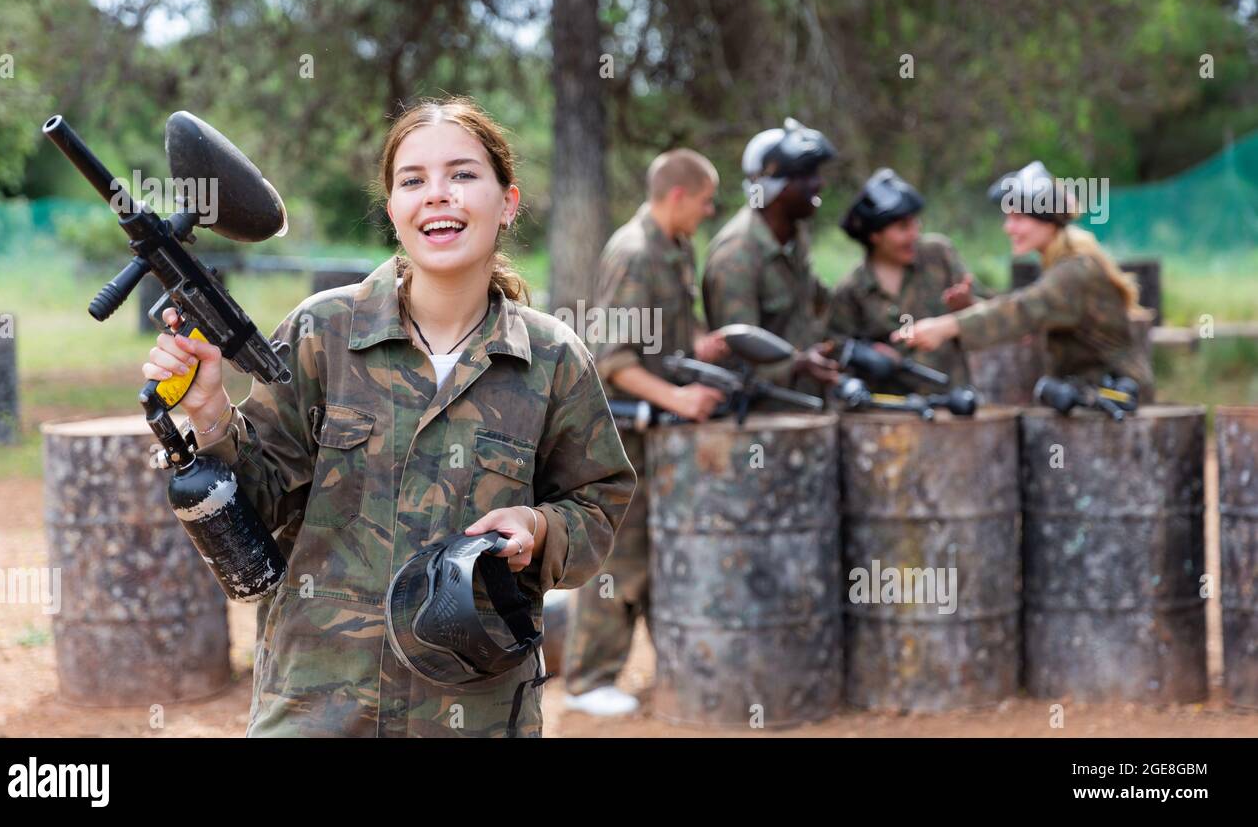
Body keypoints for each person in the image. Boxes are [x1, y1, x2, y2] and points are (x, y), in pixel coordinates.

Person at [143, 97, 636, 737]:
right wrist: (210, 414)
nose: (438, 195)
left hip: (476, 715)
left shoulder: (552, 360)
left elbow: (598, 505)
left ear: (507, 203)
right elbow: (259, 510)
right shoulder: (323, 333)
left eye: (462, 175)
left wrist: (538, 527)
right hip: (318, 708)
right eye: (413, 180)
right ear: (393, 209)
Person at [563, 149, 729, 717]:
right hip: (624, 429)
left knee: (658, 550)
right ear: (678, 196)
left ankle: (659, 663)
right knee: (619, 553)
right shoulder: (634, 254)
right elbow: (612, 358)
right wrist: (679, 397)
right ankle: (587, 679)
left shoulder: (675, 248)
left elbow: (664, 333)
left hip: (658, 431)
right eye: (706, 202)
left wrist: (699, 343)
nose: (709, 213)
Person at [892, 160, 1152, 389]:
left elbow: (1023, 310)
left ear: (1047, 220)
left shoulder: (1074, 272)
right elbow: (1030, 320)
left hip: (1119, 402)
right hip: (1097, 398)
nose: (1008, 228)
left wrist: (944, 327)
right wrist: (972, 307)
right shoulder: (1064, 264)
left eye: (1018, 218)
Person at [701, 118, 841, 400]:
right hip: (761, 419)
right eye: (805, 175)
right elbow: (736, 362)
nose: (819, 183)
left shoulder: (795, 236)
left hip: (806, 407)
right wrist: (799, 365)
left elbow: (814, 302)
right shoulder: (736, 256)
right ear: (775, 188)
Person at [829, 168, 990, 392]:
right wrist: (866, 353)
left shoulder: (939, 256)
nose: (915, 234)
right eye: (903, 227)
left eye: (916, 223)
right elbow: (835, 346)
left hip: (951, 402)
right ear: (875, 236)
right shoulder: (851, 290)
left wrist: (967, 305)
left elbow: (990, 314)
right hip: (888, 411)